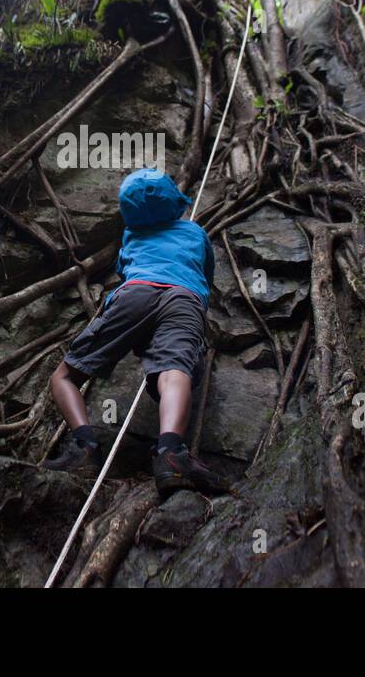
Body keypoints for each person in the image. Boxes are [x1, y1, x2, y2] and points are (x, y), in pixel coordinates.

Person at [43, 167, 229, 496]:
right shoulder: (195, 233)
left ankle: (84, 445)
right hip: (184, 297)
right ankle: (170, 453)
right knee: (173, 371)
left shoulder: (131, 236)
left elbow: (126, 268)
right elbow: (207, 276)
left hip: (136, 293)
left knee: (64, 376)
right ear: (174, 202)